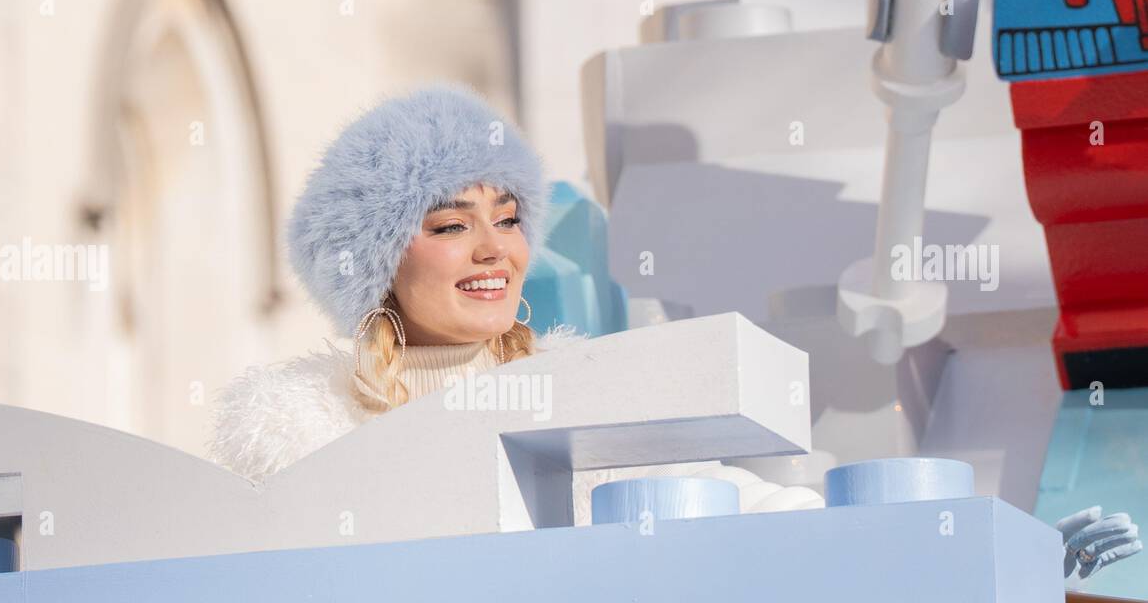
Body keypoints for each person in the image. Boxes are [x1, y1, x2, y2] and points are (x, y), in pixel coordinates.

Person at [206, 83, 822, 517]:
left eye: (507, 220)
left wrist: (809, 514)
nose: (494, 250)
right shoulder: (303, 438)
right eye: (451, 226)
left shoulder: (589, 397)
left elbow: (703, 493)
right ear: (377, 264)